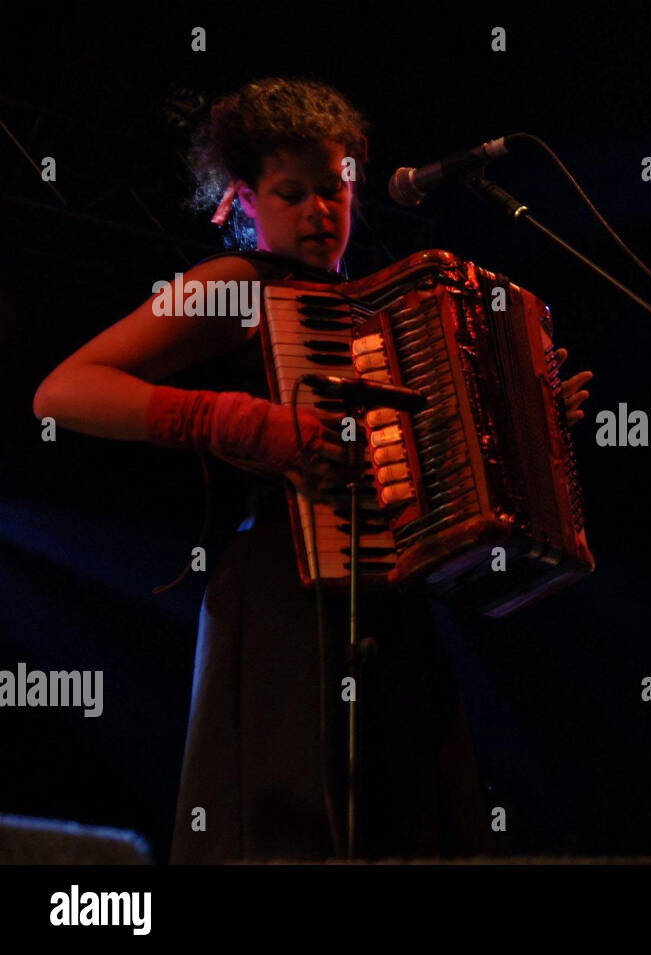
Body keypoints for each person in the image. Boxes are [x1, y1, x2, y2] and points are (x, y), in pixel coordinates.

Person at [31, 78, 592, 862]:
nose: (319, 212)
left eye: (333, 190)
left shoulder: (380, 309)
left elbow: (437, 471)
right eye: (291, 193)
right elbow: (64, 391)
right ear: (244, 201)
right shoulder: (238, 283)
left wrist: (526, 418)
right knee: (287, 834)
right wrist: (239, 420)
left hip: (391, 611)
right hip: (280, 603)